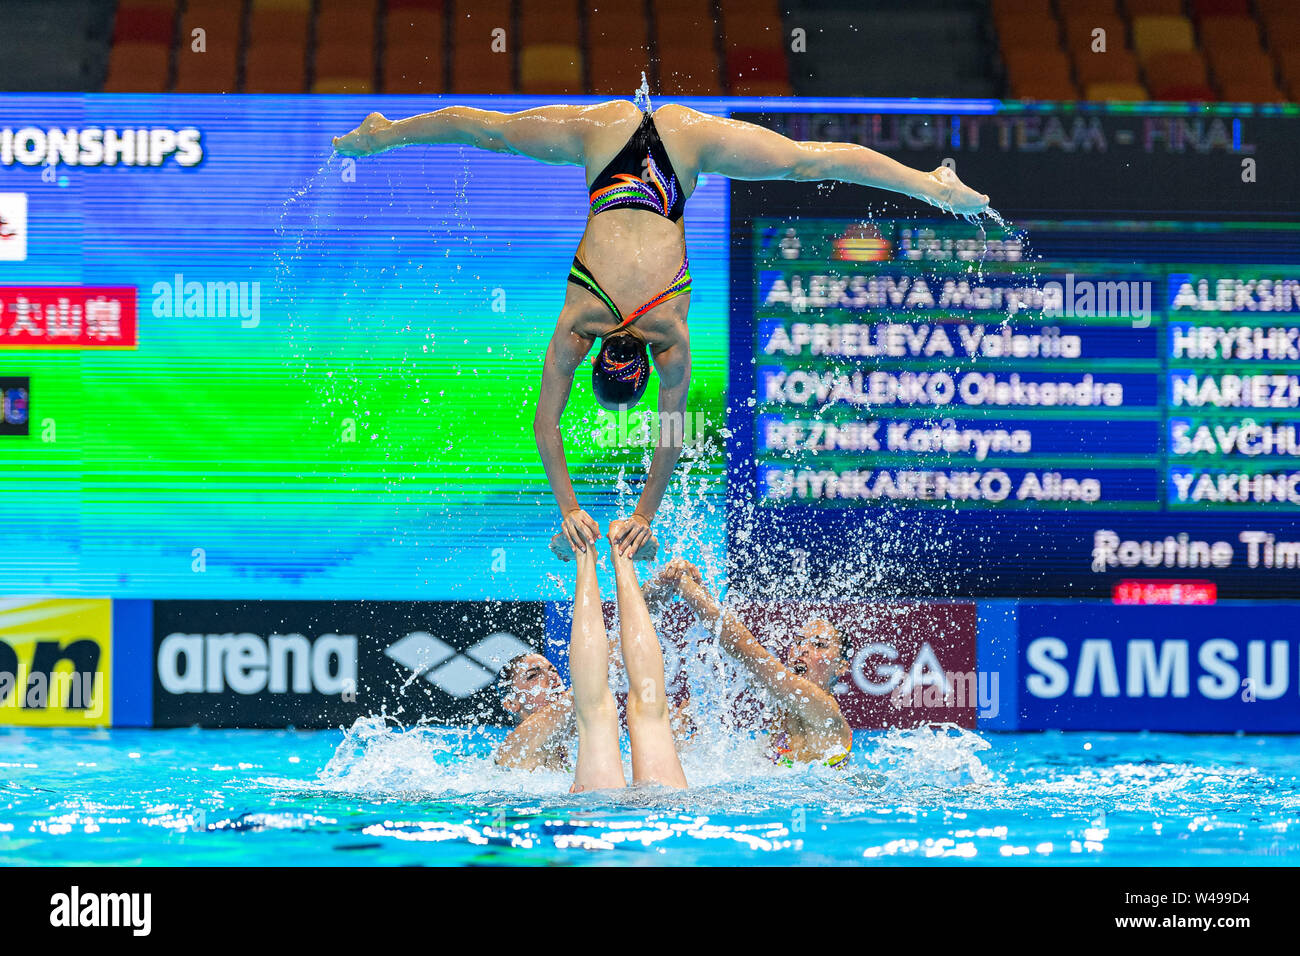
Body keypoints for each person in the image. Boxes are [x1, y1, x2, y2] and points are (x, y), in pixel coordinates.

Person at [333, 94, 991, 561]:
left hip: (678, 145)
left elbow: (669, 435)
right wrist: (571, 506)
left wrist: (639, 514)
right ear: (601, 358)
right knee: (495, 131)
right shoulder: (578, 324)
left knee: (803, 163)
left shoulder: (671, 342)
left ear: (641, 368)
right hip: (613, 134)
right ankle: (386, 131)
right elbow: (546, 425)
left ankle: (931, 186)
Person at [495, 520, 690, 790]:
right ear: (511, 704)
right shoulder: (514, 747)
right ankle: (598, 554)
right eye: (533, 675)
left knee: (621, 709)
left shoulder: (571, 746)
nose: (551, 677)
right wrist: (659, 587)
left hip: (597, 803)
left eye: (552, 670)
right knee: (637, 709)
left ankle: (591, 554)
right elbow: (597, 674)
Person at [649, 559, 853, 767]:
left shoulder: (825, 711)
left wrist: (683, 583)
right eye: (799, 642)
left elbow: (744, 649)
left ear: (841, 666)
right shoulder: (783, 710)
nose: (804, 649)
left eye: (819, 645)